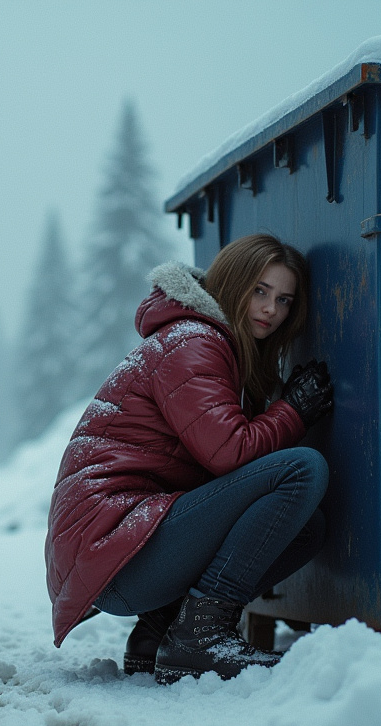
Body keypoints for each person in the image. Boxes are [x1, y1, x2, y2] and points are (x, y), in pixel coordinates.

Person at [46, 233, 334, 684]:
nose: (270, 310)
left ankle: (158, 634)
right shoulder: (193, 342)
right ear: (233, 282)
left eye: (284, 300)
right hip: (117, 547)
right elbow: (229, 452)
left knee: (306, 528)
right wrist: (293, 412)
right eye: (259, 290)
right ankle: (201, 635)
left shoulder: (206, 340)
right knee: (301, 470)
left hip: (124, 544)